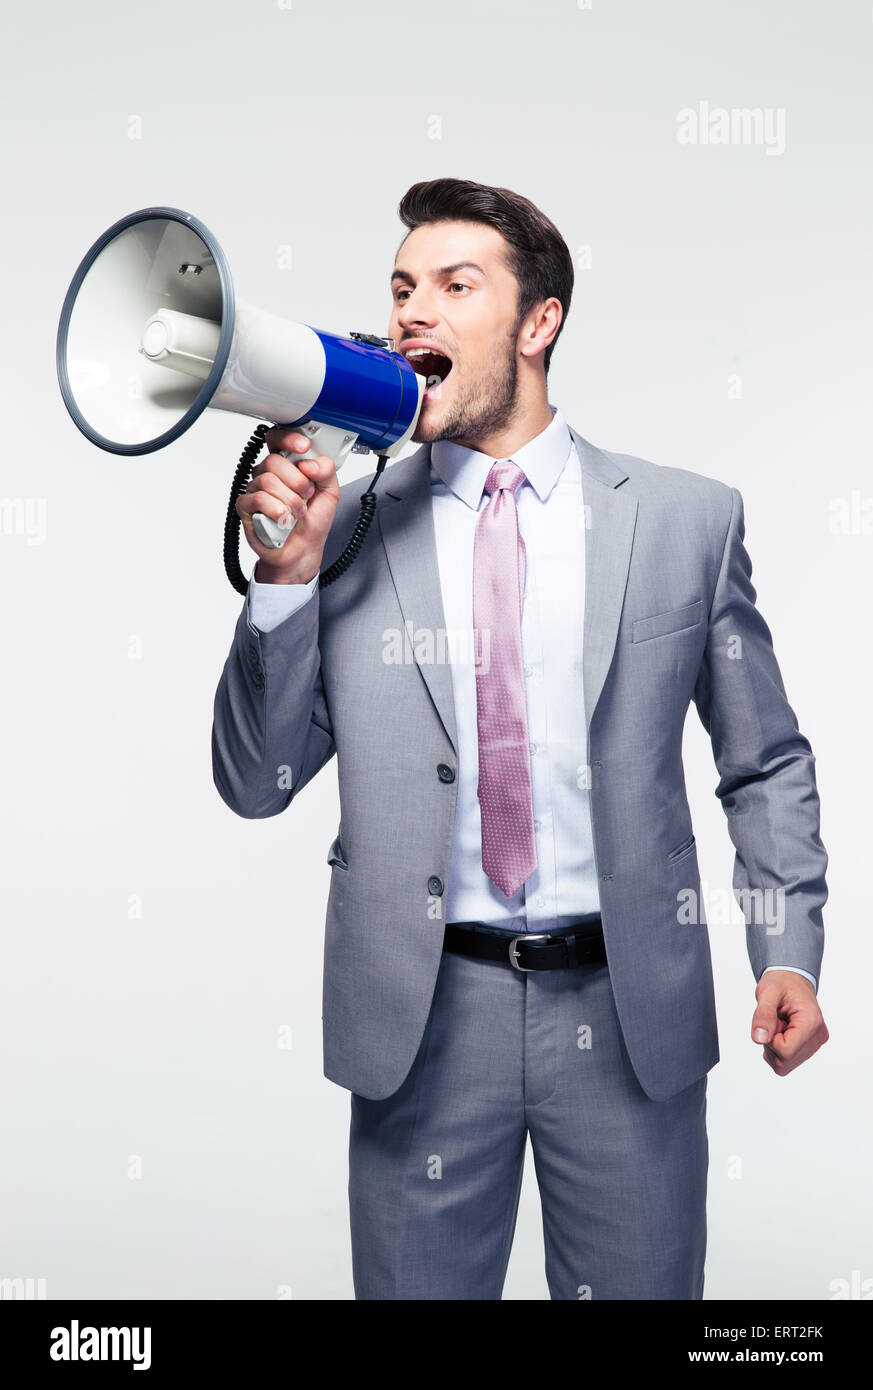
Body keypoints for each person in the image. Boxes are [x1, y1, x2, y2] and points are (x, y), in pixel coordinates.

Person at [211, 177, 829, 1300]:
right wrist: (284, 586)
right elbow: (256, 782)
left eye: (455, 285)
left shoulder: (686, 520)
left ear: (540, 322)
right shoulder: (343, 526)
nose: (412, 314)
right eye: (401, 288)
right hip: (423, 1024)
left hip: (630, 1017)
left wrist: (785, 948)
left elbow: (767, 759)